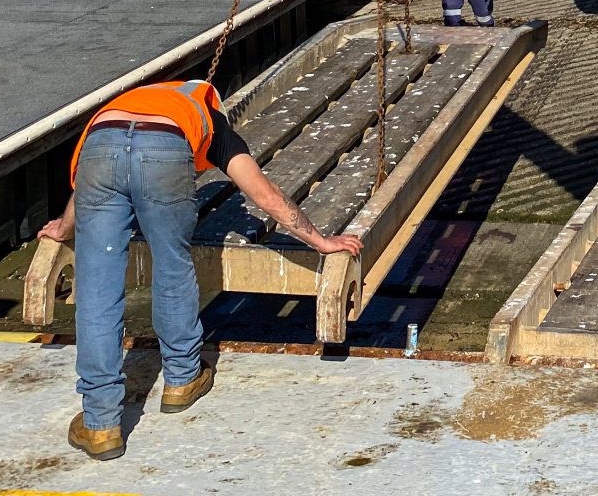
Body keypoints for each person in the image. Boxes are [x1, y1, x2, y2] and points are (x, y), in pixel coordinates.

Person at [37, 78, 362, 461]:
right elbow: (264, 195)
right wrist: (321, 241)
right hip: (163, 152)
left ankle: (100, 423)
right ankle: (182, 378)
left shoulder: (133, 101)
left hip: (100, 146)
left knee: (96, 290)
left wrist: (63, 226)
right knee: (172, 268)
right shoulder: (210, 120)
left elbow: (91, 178)